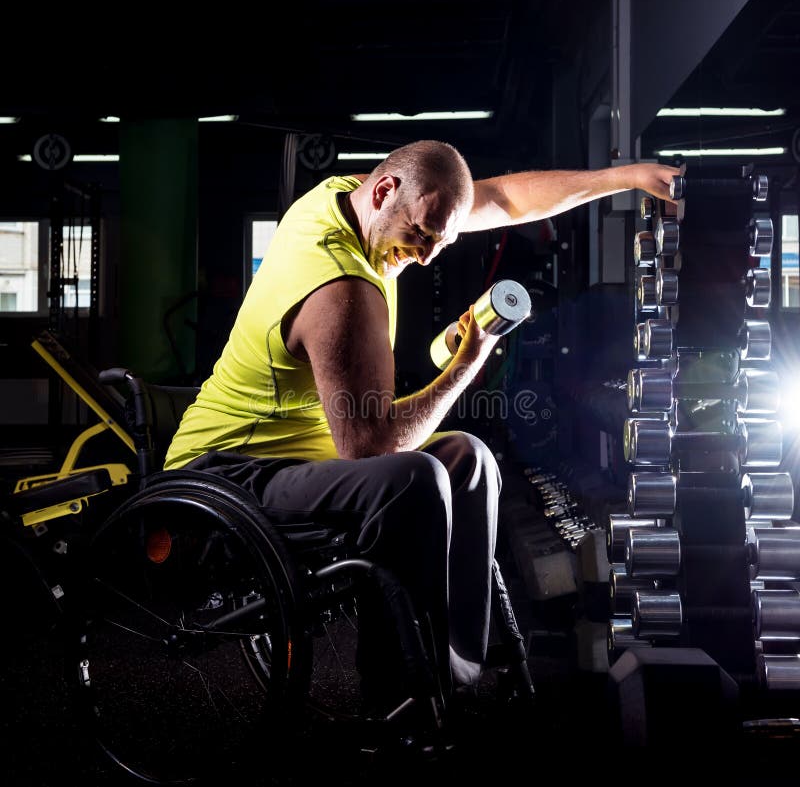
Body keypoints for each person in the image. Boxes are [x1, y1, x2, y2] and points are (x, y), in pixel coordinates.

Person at [164, 140, 676, 710]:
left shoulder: (353, 196)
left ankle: (452, 662)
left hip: (304, 454)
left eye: (443, 239)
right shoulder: (341, 290)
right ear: (385, 193)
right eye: (422, 235)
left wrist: (625, 177)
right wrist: (467, 365)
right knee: (413, 479)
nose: (428, 256)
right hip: (233, 469)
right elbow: (370, 445)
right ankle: (395, 694)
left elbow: (504, 198)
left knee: (469, 458)